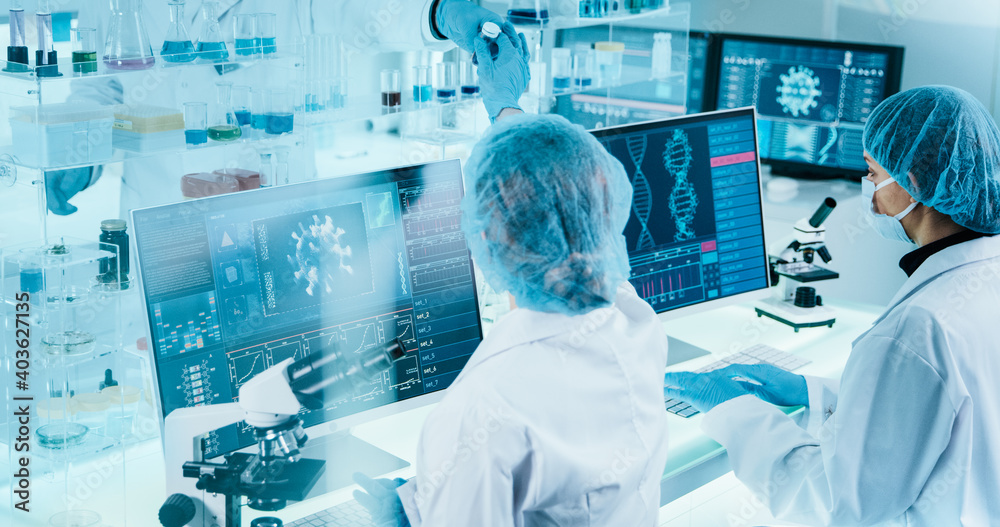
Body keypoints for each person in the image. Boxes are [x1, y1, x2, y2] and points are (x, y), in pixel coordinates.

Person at [352, 28, 670, 526]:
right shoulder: (634, 322)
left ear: (488, 240)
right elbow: (560, 189)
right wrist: (506, 107)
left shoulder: (484, 410)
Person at [663, 85, 1000, 526]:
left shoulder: (916, 330)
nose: (870, 192)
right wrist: (813, 393)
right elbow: (934, 413)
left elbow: (836, 504)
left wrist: (732, 410)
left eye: (873, 173)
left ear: (913, 184)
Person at [46, 0, 517, 216]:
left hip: (272, 202)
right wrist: (78, 146)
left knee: (288, 385)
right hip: (161, 210)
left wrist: (437, 12)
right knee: (178, 388)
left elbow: (368, 12)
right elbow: (103, 84)